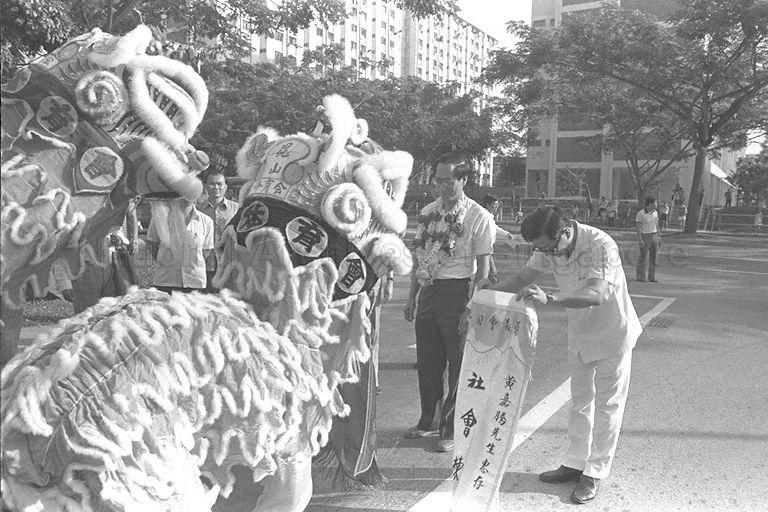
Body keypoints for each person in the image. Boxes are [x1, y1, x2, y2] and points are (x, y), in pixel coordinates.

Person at [480, 205, 641, 505]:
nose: (547, 255)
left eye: (549, 249)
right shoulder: (548, 245)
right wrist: (487, 296)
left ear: (565, 232)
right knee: (580, 400)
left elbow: (598, 294)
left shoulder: (600, 245)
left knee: (608, 406)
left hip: (612, 334)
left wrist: (550, 297)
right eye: (541, 250)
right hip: (579, 333)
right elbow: (523, 277)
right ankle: (575, 462)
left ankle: (595, 472)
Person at [403, 153, 494, 453]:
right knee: (428, 362)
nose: (442, 186)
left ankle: (450, 427)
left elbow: (483, 270)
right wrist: (411, 297)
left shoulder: (479, 216)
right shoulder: (428, 212)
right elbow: (421, 258)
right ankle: (427, 418)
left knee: (457, 363)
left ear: (464, 179)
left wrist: (472, 305)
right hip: (430, 289)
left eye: (448, 179)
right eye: (438, 180)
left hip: (459, 291)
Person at [62, 198, 140, 313]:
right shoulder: (77, 198)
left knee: (116, 311)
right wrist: (64, 282)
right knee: (86, 314)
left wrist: (133, 240)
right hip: (86, 263)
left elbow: (131, 213)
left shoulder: (119, 190)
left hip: (114, 260)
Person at [146, 197, 213, 293]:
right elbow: (152, 244)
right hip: (166, 281)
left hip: (195, 282)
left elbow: (206, 251)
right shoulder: (160, 218)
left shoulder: (206, 221)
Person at [197, 170, 239, 292]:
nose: (216, 187)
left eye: (219, 184)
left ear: (225, 187)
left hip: (230, 264)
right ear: (205, 186)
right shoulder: (198, 210)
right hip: (206, 264)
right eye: (212, 184)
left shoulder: (237, 210)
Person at [481, 194, 517, 285]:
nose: (496, 207)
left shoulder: (488, 215)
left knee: (487, 274)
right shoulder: (483, 216)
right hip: (483, 250)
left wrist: (506, 234)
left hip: (486, 250)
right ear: (488, 205)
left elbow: (494, 228)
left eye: (497, 205)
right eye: (494, 205)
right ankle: (496, 292)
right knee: (492, 276)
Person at [635, 197, 660, 283]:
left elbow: (657, 225)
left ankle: (651, 276)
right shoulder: (641, 214)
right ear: (650, 203)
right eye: (655, 203)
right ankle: (641, 276)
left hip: (654, 234)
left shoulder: (655, 213)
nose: (656, 205)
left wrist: (659, 236)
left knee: (654, 257)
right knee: (643, 257)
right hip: (645, 235)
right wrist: (640, 239)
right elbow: (638, 228)